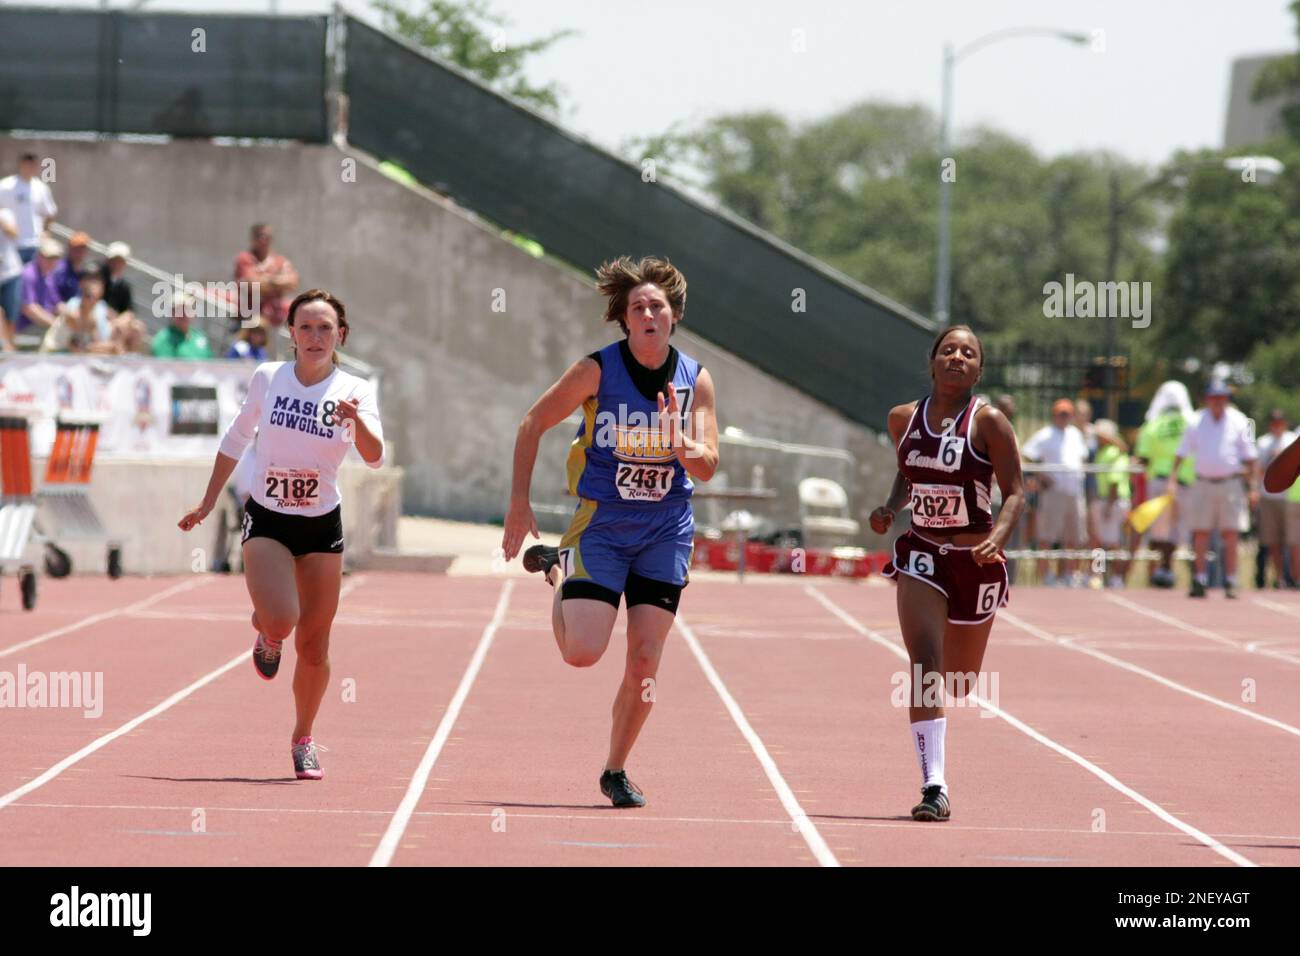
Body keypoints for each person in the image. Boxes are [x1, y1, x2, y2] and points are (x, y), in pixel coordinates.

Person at [501, 256, 719, 808]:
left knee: (645, 660)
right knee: (582, 653)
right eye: (638, 307)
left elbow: (709, 464)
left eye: (657, 306)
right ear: (625, 320)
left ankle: (616, 769)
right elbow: (533, 422)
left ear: (674, 317)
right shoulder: (597, 370)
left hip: (666, 529)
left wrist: (681, 446)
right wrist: (518, 502)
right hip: (602, 524)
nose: (648, 313)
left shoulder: (697, 379)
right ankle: (557, 569)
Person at [178, 289, 385, 779]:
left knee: (314, 646)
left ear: (341, 335)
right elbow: (234, 438)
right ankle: (267, 632)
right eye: (306, 327)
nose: (315, 337)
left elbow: (375, 457)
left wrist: (357, 423)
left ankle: (303, 738)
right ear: (290, 333)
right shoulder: (268, 378)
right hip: (268, 517)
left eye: (325, 328)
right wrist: (209, 501)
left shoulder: (355, 390)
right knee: (282, 619)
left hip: (321, 525)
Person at [871, 325, 1025, 822]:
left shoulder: (990, 423)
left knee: (958, 681)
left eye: (968, 353)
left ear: (978, 370)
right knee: (924, 667)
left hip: (975, 564)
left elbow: (1016, 491)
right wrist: (892, 508)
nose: (957, 357)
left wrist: (997, 538)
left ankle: (936, 765)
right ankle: (934, 785)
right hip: (922, 554)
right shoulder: (903, 419)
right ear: (932, 362)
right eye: (948, 350)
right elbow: (908, 468)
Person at [1170, 380, 1257, 599]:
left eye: (1222, 397)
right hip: (1203, 482)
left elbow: (1251, 457)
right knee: (1200, 532)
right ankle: (1200, 579)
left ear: (1227, 399)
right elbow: (1181, 452)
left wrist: (1253, 486)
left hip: (1231, 483)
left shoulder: (1240, 421)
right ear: (1207, 398)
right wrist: (1172, 480)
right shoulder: (1195, 420)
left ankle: (1231, 580)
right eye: (1214, 397)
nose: (1218, 401)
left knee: (1231, 533)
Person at [1134, 381, 1196, 588]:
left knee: (1159, 530)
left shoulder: (1152, 424)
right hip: (1186, 482)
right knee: (1180, 530)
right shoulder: (1192, 422)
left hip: (1159, 481)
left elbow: (1143, 456)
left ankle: (1160, 569)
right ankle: (1173, 570)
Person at [1022, 399, 1089, 586]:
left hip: (1075, 492)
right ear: (1054, 415)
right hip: (1054, 492)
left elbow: (1081, 458)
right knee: (1047, 536)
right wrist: (1041, 476)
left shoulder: (1075, 434)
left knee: (1073, 537)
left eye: (1067, 414)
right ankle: (1046, 575)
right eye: (1061, 414)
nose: (1064, 417)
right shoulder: (1045, 434)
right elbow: (1026, 455)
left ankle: (1069, 573)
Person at [1088, 419, 1131, 588]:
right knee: (1100, 540)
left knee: (1114, 542)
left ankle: (1116, 576)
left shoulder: (1114, 452)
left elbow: (1115, 480)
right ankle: (1099, 574)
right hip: (1105, 499)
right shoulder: (1102, 451)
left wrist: (1109, 504)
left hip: (1114, 500)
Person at [1255, 410, 1295, 589]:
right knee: (1273, 541)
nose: (1277, 426)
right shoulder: (1263, 443)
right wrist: (1275, 458)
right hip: (1269, 496)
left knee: (1292, 540)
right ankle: (1280, 578)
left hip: (1290, 497)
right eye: (1274, 423)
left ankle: (1294, 577)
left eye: (1280, 422)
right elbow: (1262, 474)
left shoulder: (1292, 438)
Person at [234, 224, 299, 328]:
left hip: (273, 322)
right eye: (261, 236)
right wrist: (278, 282)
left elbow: (292, 282)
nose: (265, 240)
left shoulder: (279, 261)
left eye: (268, 237)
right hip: (248, 322)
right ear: (253, 239)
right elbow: (252, 284)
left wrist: (267, 280)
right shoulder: (245, 258)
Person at [0, 152, 58, 264]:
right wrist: (5, 225)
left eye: (32, 165)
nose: (29, 168)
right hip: (11, 244)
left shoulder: (41, 188)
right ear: (20, 165)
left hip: (34, 244)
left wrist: (46, 232)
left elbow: (50, 212)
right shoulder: (5, 186)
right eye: (26, 164)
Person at [41, 270, 115, 354]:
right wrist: (99, 348)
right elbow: (75, 346)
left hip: (70, 354)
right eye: (88, 296)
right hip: (54, 353)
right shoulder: (73, 315)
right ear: (83, 296)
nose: (91, 300)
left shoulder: (92, 318)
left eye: (95, 298)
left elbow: (96, 342)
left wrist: (109, 347)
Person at [18, 236, 66, 336]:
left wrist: (71, 317)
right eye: (49, 257)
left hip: (43, 324)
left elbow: (57, 303)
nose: (52, 262)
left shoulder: (48, 275)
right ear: (39, 256)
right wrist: (55, 324)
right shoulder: (29, 274)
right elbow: (29, 309)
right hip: (26, 328)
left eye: (55, 258)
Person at [150, 290, 215, 360]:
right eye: (179, 310)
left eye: (187, 309)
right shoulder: (163, 339)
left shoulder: (199, 336)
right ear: (172, 313)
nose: (184, 314)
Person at [0, 207, 21, 351]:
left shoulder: (6, 214)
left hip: (10, 273)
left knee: (11, 317)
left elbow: (15, 234)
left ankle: (10, 351)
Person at [52, 232, 91, 302]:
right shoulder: (60, 269)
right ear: (70, 249)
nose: (79, 253)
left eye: (82, 250)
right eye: (76, 249)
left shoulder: (82, 272)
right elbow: (52, 292)